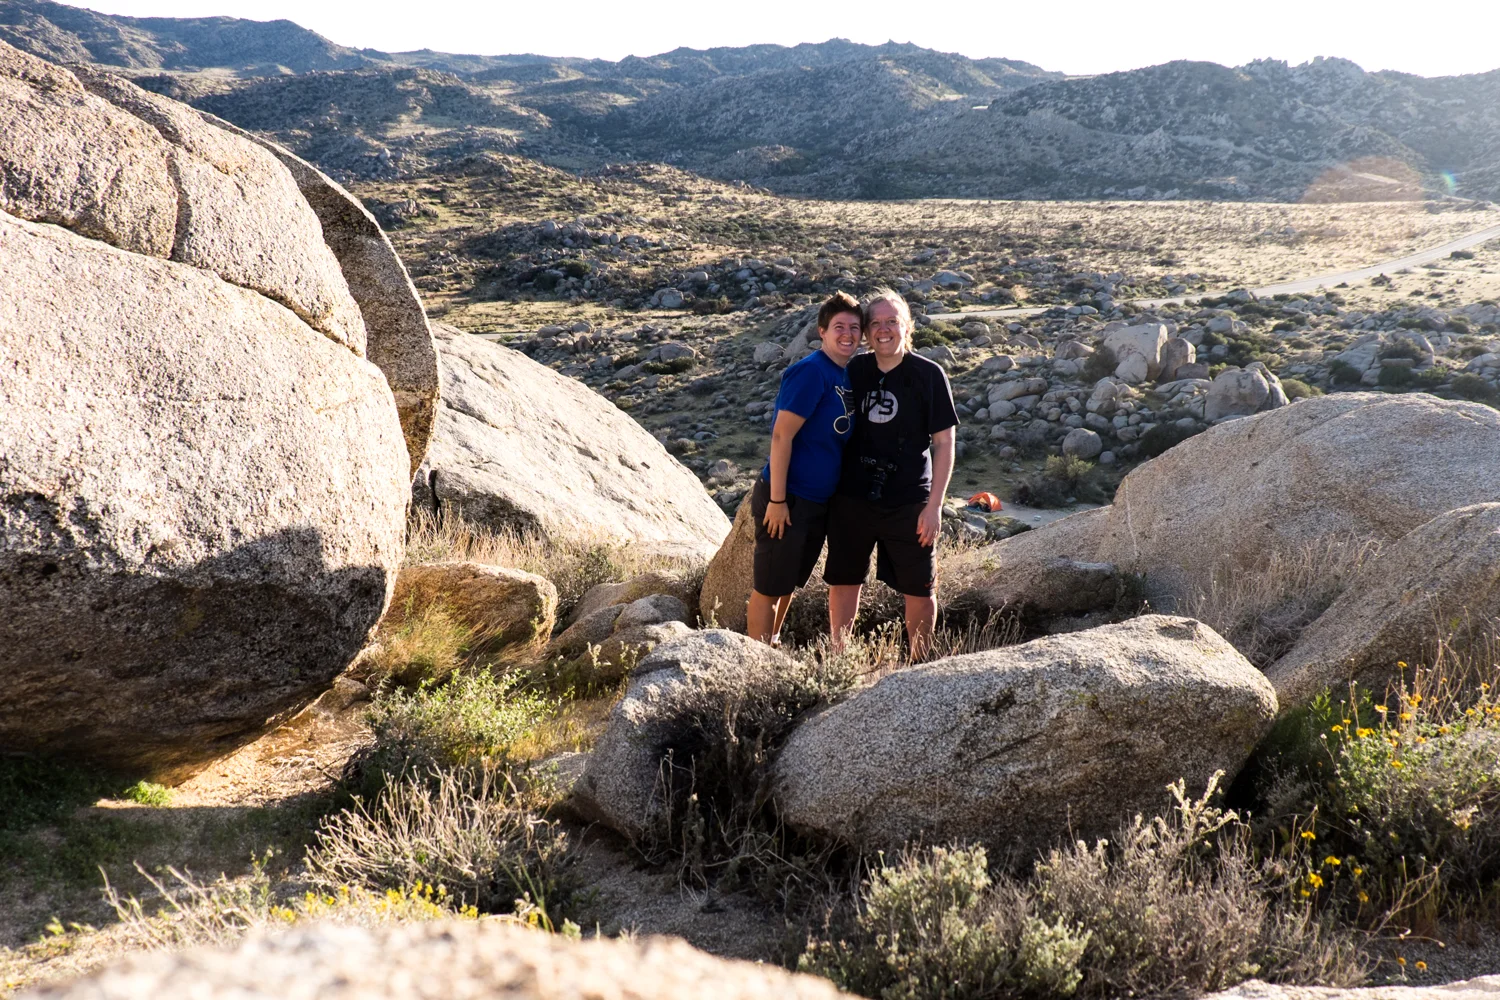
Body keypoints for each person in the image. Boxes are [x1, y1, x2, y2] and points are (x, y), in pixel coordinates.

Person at [825, 287, 958, 660]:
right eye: (876, 323)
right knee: (844, 579)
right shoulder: (852, 370)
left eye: (892, 322)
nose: (884, 330)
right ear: (867, 332)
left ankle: (920, 662)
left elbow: (944, 444)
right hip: (852, 495)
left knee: (919, 587)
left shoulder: (929, 375)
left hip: (910, 500)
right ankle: (839, 659)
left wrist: (934, 506)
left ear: (908, 327)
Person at [746, 291, 862, 645]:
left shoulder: (844, 374)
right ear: (822, 331)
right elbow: (782, 438)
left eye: (855, 328)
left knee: (789, 583)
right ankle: (756, 661)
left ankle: (774, 642)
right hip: (789, 497)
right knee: (768, 587)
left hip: (817, 502)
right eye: (839, 326)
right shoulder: (811, 371)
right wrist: (778, 502)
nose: (847, 334)